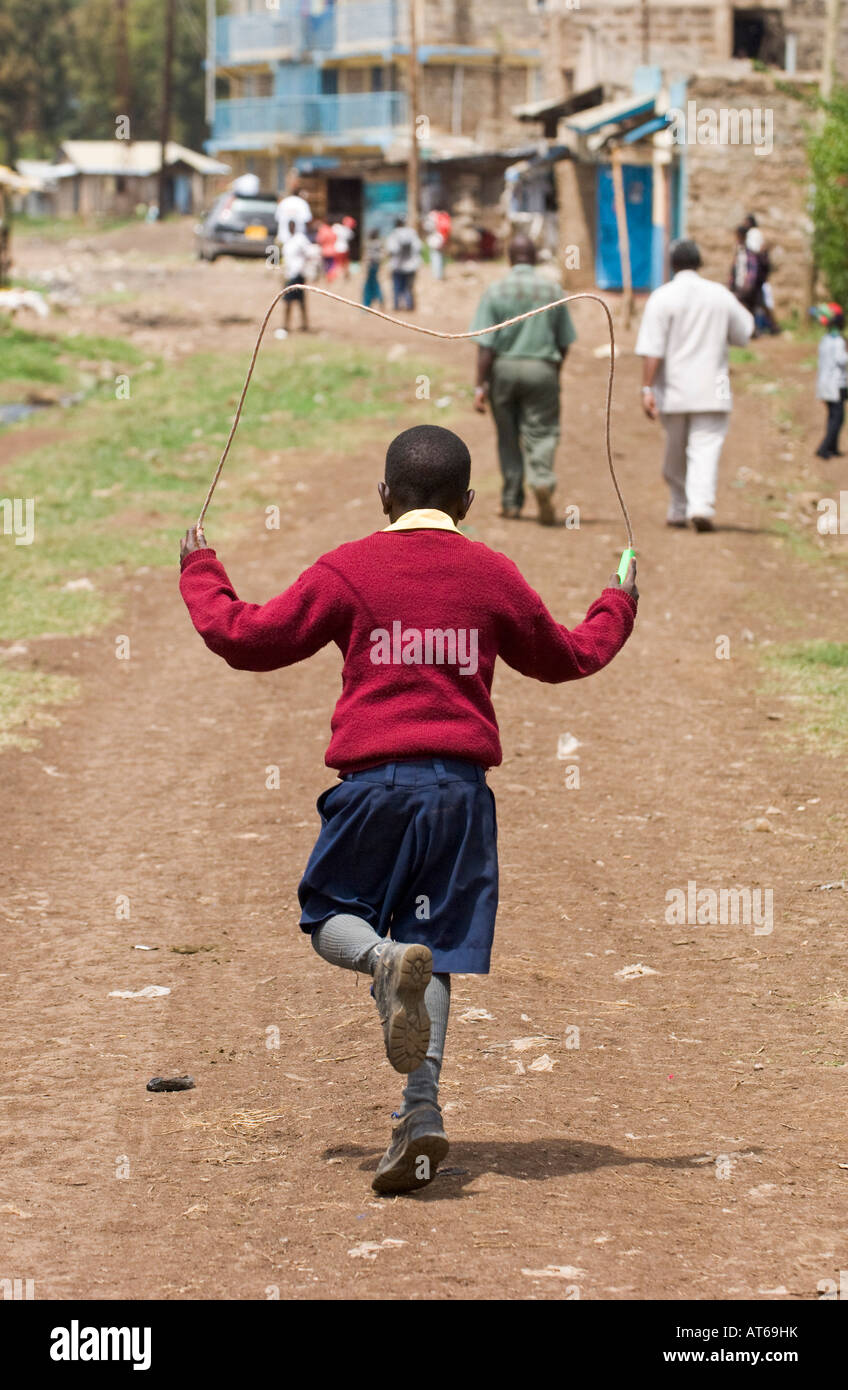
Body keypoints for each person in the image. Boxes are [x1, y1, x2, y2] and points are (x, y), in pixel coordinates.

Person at [179, 424, 638, 1194]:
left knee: (331, 920)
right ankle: (420, 1109)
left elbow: (246, 636)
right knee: (439, 948)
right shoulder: (492, 573)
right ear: (466, 502)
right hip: (460, 796)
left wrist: (201, 569)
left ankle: (381, 963)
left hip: (374, 788)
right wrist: (617, 600)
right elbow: (570, 655)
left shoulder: (350, 567)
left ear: (384, 496)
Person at [636, 238, 754, 532]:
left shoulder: (662, 298)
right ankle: (700, 506)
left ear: (672, 264)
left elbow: (653, 349)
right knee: (706, 448)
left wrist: (647, 388)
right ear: (699, 263)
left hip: (674, 389)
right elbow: (744, 333)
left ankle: (678, 507)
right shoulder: (719, 295)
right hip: (714, 389)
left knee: (674, 450)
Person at [469, 234, 575, 525]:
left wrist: (480, 385)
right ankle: (542, 480)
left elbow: (486, 345)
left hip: (503, 368)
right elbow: (565, 341)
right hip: (542, 368)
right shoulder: (553, 290)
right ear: (536, 257)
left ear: (510, 258)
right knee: (541, 432)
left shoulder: (495, 290)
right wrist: (553, 370)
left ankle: (511, 501)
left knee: (507, 436)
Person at [812, 302, 848, 459]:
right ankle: (824, 448)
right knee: (838, 418)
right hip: (835, 385)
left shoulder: (825, 340)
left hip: (825, 384)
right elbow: (842, 360)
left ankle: (833, 448)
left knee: (833, 417)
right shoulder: (838, 342)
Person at [274, 218, 310, 338]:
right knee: (287, 301)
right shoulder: (287, 241)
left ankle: (304, 324)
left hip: (298, 274)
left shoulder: (300, 240)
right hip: (289, 275)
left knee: (301, 301)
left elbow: (309, 253)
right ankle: (286, 325)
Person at [385, 217, 422, 311]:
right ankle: (409, 305)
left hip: (397, 266)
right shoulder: (412, 233)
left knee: (397, 287)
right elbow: (418, 248)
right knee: (408, 287)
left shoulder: (394, 234)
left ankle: (397, 306)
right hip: (411, 266)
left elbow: (392, 249)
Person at [362, 227, 384, 308]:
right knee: (374, 283)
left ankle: (367, 304)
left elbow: (367, 256)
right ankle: (380, 300)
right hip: (376, 265)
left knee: (369, 285)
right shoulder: (379, 243)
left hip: (371, 266)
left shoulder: (370, 244)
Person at [424, 211, 445, 280]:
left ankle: (437, 275)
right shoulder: (441, 217)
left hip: (435, 240)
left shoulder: (432, 217)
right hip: (440, 239)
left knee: (436, 258)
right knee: (439, 258)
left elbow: (428, 228)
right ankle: (439, 275)